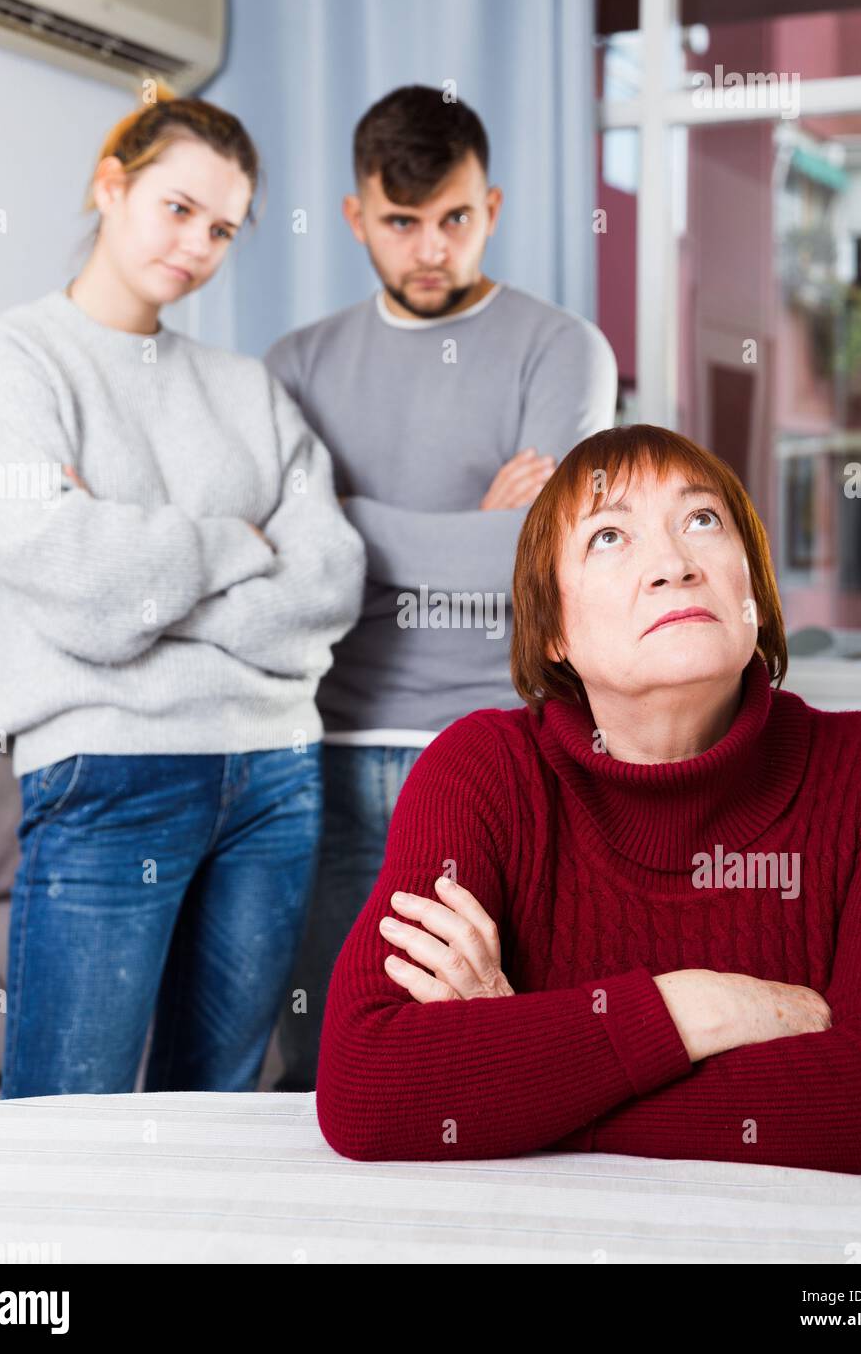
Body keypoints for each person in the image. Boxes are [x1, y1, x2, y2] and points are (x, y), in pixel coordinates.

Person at [314, 423, 861, 1181]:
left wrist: (518, 1065)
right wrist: (691, 1009)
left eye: (701, 522)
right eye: (607, 537)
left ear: (750, 587)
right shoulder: (480, 770)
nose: (672, 565)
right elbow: (368, 1087)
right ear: (553, 628)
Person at [0, 86, 365, 1098]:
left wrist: (148, 578)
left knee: (225, 1106)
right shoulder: (6, 360)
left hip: (274, 773)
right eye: (176, 207)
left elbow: (329, 577)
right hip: (109, 773)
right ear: (108, 185)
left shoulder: (245, 385)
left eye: (222, 227)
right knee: (65, 1117)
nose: (198, 245)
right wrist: (233, 544)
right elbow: (80, 576)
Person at [265, 84, 618, 1089]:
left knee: (498, 1050)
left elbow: (544, 561)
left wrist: (346, 518)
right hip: (328, 749)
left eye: (454, 219)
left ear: (492, 208)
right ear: (354, 218)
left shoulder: (561, 348)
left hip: (504, 741)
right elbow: (289, 560)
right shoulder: (296, 364)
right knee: (324, 1063)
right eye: (401, 223)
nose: (430, 250)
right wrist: (478, 530)